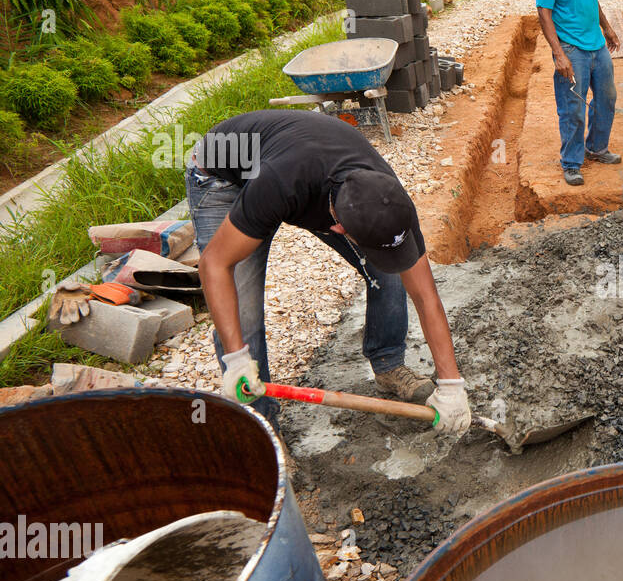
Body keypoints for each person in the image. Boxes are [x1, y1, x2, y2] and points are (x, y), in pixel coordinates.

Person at [185, 109, 470, 436]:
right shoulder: (282, 183)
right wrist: (236, 360)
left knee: (387, 267)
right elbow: (214, 264)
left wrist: (451, 385)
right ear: (336, 227)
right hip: (221, 170)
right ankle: (262, 429)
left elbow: (425, 294)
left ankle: (388, 364)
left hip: (294, 161)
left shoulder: (386, 199)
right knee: (243, 313)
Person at [535, 0, 622, 187]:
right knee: (572, 107)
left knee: (607, 97)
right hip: (571, 47)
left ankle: (597, 148)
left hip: (596, 43)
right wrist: (558, 54)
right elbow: (544, 14)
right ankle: (571, 162)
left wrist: (607, 27)